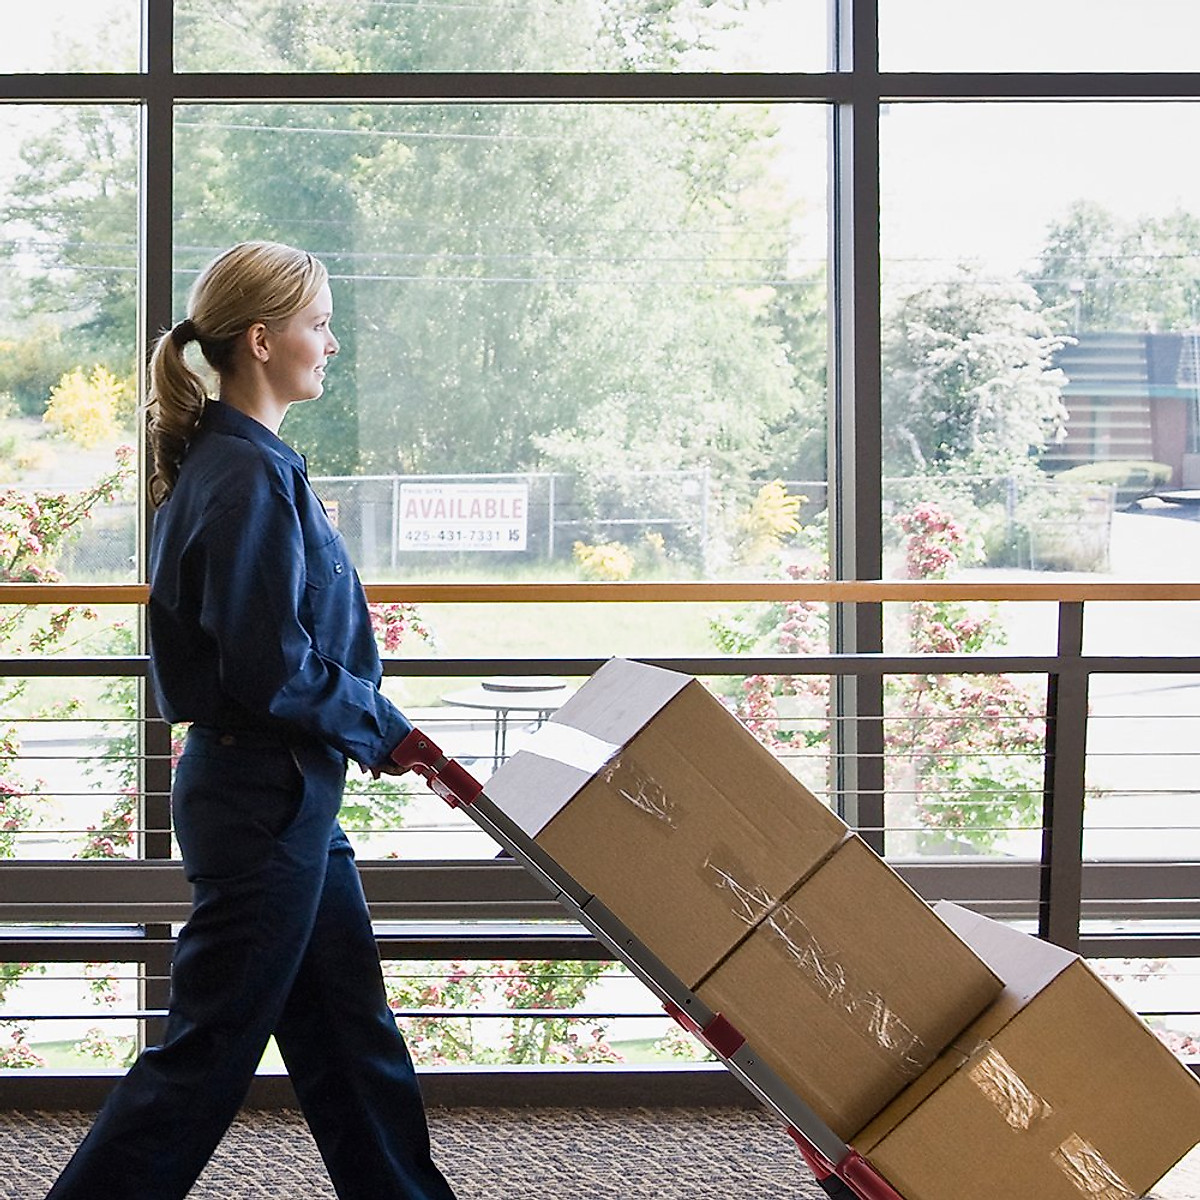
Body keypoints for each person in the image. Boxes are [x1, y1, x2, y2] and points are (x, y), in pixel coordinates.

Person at [47, 241, 458, 1200]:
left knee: (352, 1041)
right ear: (264, 340)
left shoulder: (249, 464)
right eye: (319, 324)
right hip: (263, 795)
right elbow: (270, 664)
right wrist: (384, 726)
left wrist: (367, 727)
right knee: (205, 1055)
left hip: (286, 794)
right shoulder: (243, 478)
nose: (333, 343)